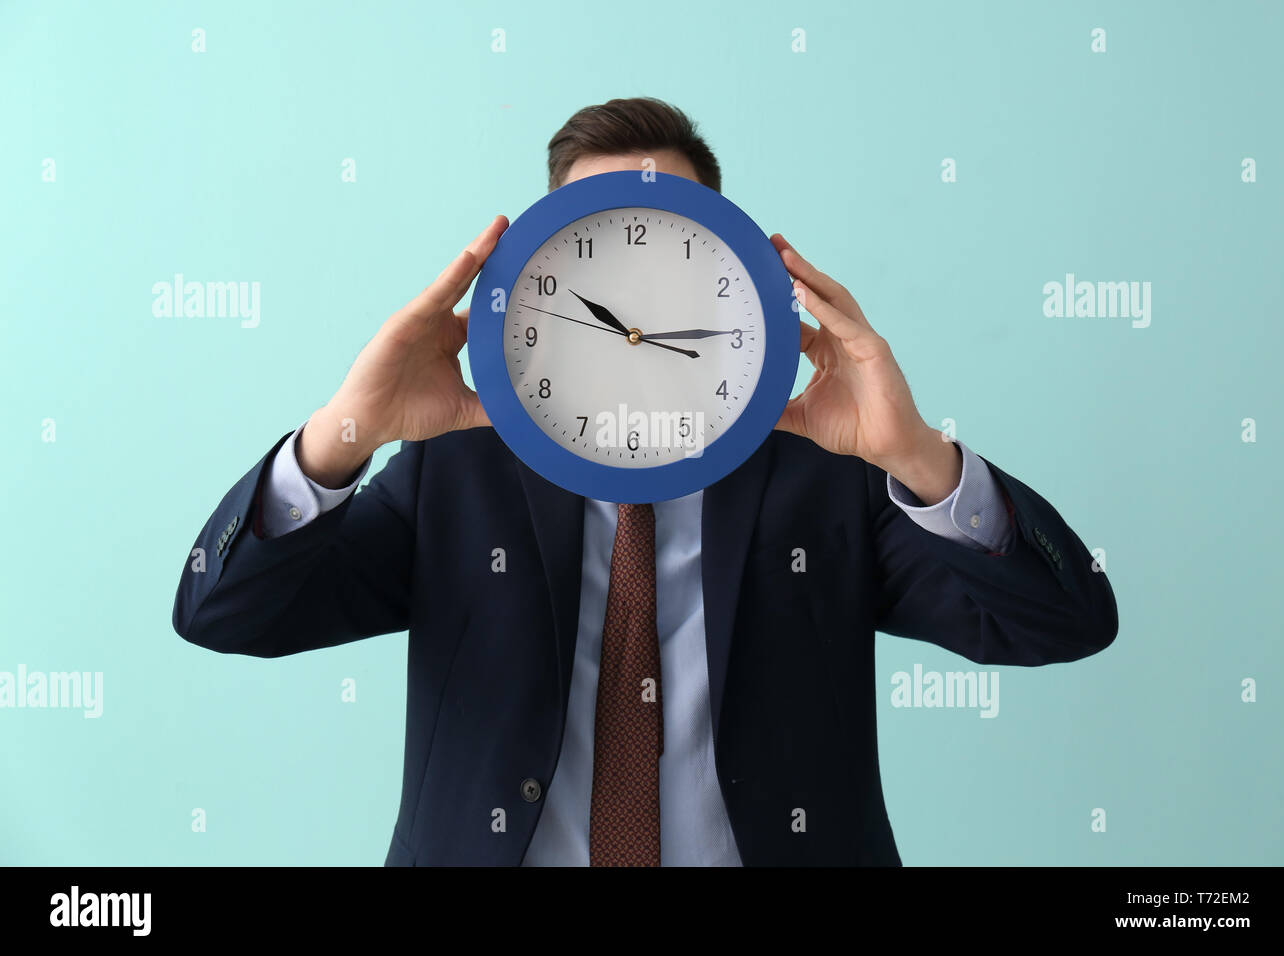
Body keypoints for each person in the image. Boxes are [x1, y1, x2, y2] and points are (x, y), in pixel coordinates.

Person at [172, 97, 1118, 866]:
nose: (637, 318)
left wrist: (916, 454)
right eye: (602, 260)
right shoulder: (456, 470)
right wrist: (346, 434)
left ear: (728, 281)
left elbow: (1063, 623)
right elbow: (227, 616)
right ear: (537, 279)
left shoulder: (827, 474)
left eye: (670, 261)